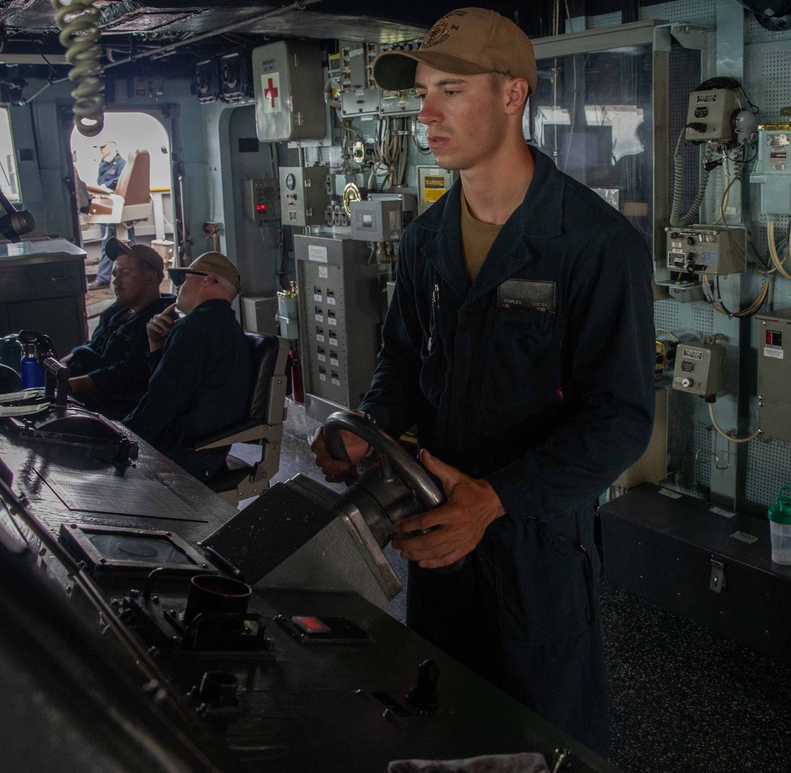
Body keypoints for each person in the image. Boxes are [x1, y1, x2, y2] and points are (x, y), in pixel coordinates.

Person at [310, 8, 655, 755]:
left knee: (543, 734)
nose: (426, 114)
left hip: (535, 543)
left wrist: (495, 498)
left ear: (512, 95)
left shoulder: (596, 245)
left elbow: (622, 418)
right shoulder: (428, 238)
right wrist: (368, 430)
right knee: (443, 717)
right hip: (435, 533)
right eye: (423, 93)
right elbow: (402, 362)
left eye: (451, 90)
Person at [124, 251, 252, 482]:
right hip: (202, 452)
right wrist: (156, 346)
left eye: (184, 279)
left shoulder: (198, 326)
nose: (178, 286)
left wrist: (120, 437)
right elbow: (176, 388)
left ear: (208, 280)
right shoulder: (221, 325)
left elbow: (161, 401)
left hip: (182, 454)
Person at [64, 240, 175, 419]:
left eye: (125, 273)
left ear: (151, 277)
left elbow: (128, 374)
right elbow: (92, 346)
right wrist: (59, 366)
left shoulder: (160, 321)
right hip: (80, 388)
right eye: (115, 274)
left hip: (111, 409)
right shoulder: (115, 311)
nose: (116, 282)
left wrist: (70, 386)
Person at [87, 141, 128, 290]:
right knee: (111, 243)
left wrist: (108, 185)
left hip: (118, 206)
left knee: (122, 245)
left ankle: (104, 278)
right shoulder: (103, 164)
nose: (103, 151)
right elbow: (100, 181)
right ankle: (105, 277)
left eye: (105, 147)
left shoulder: (122, 164)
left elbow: (121, 182)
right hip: (108, 205)